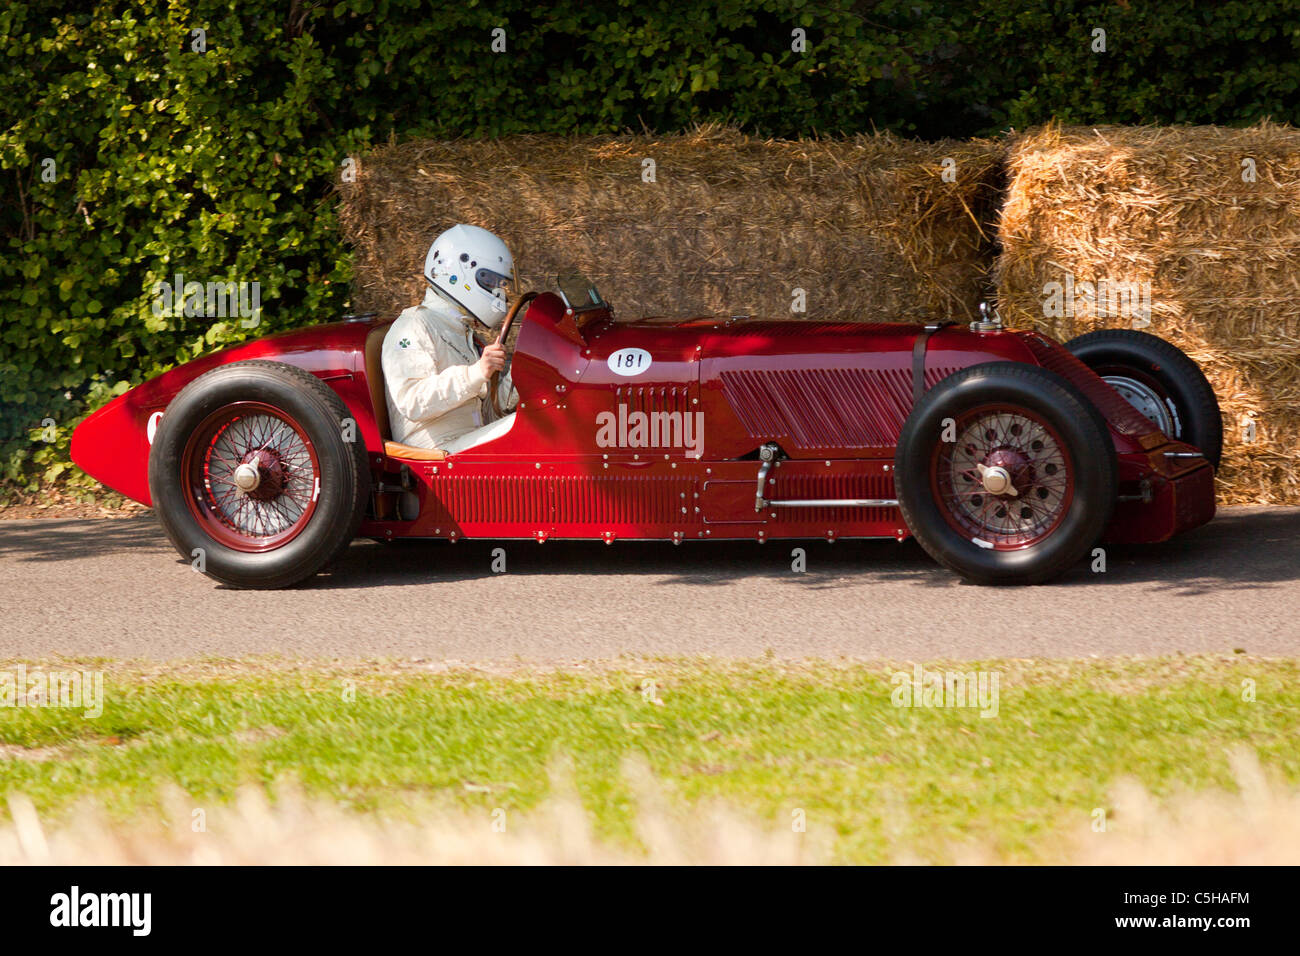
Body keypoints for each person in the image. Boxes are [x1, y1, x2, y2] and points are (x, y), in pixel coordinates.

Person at [382, 224, 518, 450]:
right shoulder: (411, 326)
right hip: (435, 452)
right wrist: (476, 373)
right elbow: (411, 402)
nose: (497, 292)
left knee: (539, 421)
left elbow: (487, 414)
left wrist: (521, 375)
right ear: (459, 273)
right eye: (490, 282)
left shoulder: (461, 331)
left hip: (467, 440)